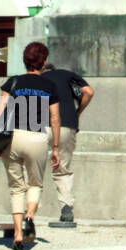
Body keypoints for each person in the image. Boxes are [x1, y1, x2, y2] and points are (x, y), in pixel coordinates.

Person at [0, 42, 61, 250]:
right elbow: (55, 118)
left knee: (16, 188)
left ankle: (18, 235)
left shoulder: (13, 82)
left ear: (24, 60)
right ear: (43, 61)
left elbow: (0, 112)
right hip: (37, 137)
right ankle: (30, 215)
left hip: (13, 137)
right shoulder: (49, 86)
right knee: (35, 183)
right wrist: (56, 147)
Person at [40, 60, 94, 225]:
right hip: (66, 124)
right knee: (62, 169)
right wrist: (77, 112)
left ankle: (27, 211)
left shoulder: (36, 79)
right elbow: (88, 92)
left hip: (39, 126)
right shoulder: (68, 76)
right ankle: (66, 208)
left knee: (32, 168)